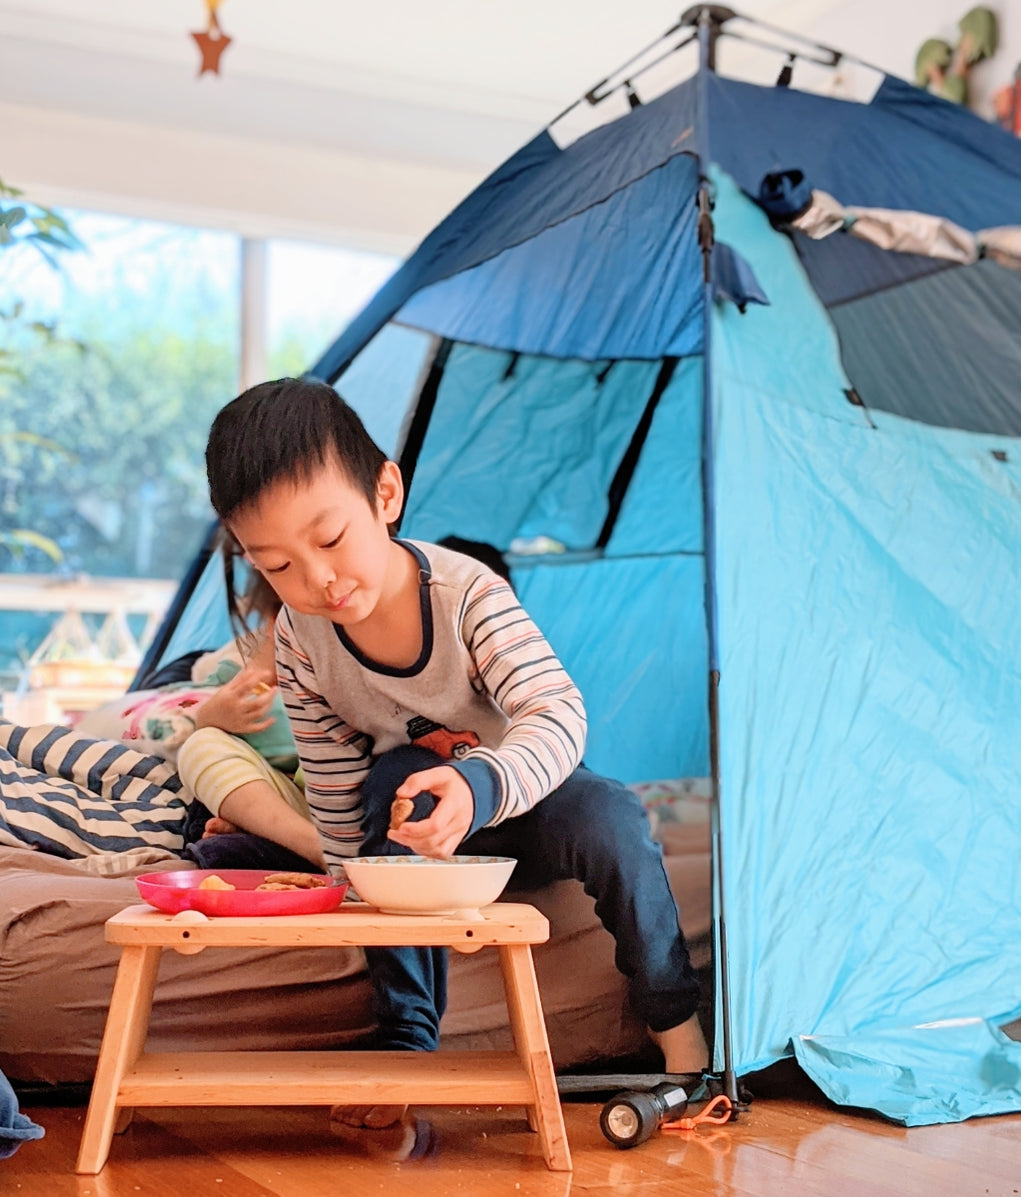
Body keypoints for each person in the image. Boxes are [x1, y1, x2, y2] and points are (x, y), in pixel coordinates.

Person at [204, 377, 708, 1129]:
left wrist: (479, 781)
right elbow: (336, 787)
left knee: (608, 810)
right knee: (391, 777)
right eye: (276, 565)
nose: (317, 580)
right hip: (416, 830)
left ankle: (680, 1038)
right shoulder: (299, 637)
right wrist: (346, 884)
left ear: (385, 493)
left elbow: (557, 714)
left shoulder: (467, 594)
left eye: (331, 539)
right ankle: (407, 1040)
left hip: (523, 798)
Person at [176, 537, 324, 870]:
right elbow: (243, 689)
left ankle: (265, 842)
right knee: (202, 746)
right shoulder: (279, 643)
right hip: (301, 816)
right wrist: (213, 717)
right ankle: (304, 846)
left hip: (360, 812)